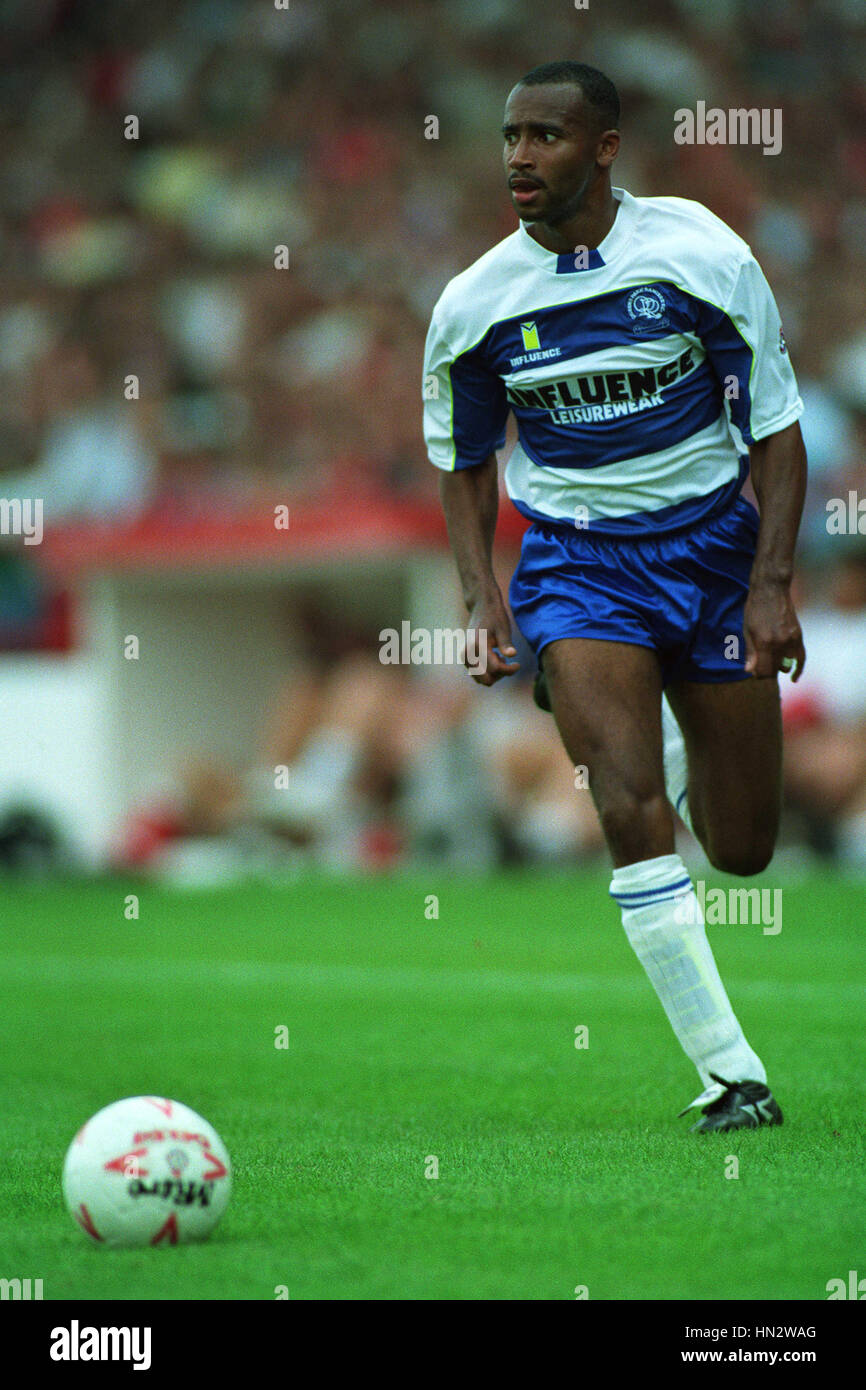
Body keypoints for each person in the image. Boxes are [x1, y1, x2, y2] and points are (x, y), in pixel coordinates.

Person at [423, 61, 807, 1133]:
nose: (518, 158)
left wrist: (770, 587)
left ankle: (669, 742)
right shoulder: (473, 304)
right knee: (624, 808)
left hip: (710, 556)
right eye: (509, 137)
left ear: (603, 149)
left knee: (740, 848)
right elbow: (462, 460)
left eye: (544, 136)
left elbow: (773, 425)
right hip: (577, 565)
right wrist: (482, 600)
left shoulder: (697, 254)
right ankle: (730, 1074)